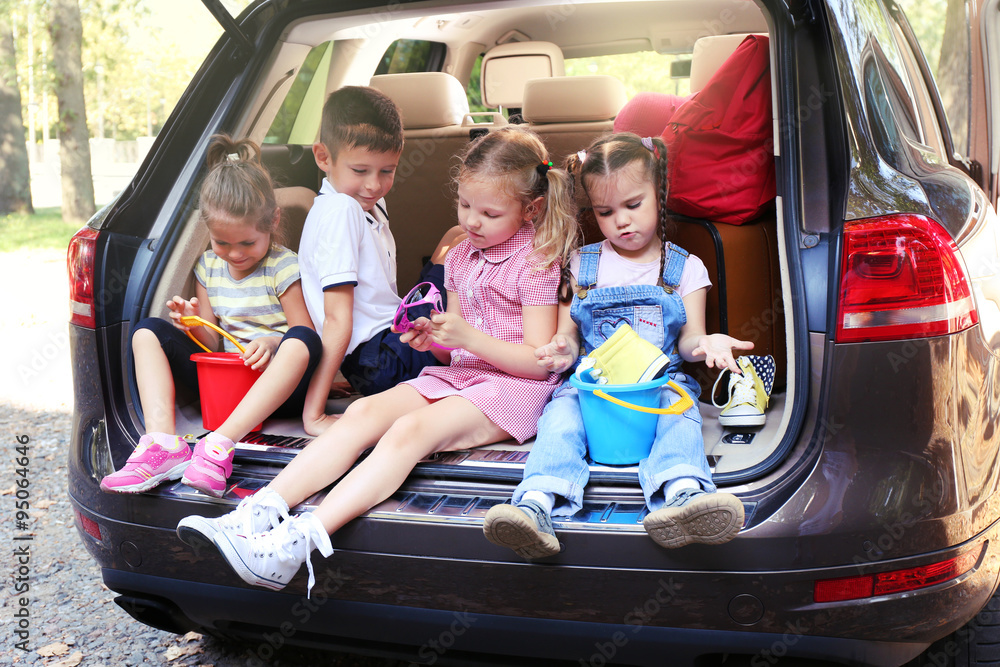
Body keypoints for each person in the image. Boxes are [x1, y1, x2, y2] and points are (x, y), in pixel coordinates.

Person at [176, 126, 579, 596]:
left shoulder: (538, 262)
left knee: (409, 431)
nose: (471, 220)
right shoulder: (463, 257)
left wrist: (466, 336)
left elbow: (537, 364)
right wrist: (434, 341)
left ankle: (295, 545)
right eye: (464, 205)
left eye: (489, 213)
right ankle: (258, 512)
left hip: (514, 388)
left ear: (530, 209)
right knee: (365, 411)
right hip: (461, 375)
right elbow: (456, 349)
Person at [483, 132, 753, 559]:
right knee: (560, 418)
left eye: (633, 205)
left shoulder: (685, 268)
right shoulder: (582, 263)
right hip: (592, 388)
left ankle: (683, 496)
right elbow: (569, 337)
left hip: (656, 387)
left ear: (658, 195)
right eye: (606, 212)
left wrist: (708, 345)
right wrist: (561, 351)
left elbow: (687, 343)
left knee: (681, 412)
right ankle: (534, 505)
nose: (622, 221)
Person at [101, 135, 323, 498]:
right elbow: (212, 344)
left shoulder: (283, 267)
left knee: (303, 342)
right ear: (208, 230)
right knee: (146, 332)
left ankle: (219, 444)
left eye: (247, 243)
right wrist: (192, 323)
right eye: (222, 243)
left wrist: (270, 342)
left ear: (273, 221)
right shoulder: (208, 267)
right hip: (225, 385)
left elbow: (304, 332)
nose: (234, 254)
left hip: (277, 386)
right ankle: (162, 445)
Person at [295, 86, 463, 436]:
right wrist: (315, 411)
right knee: (472, 259)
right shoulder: (341, 210)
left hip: (388, 339)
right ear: (323, 157)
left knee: (456, 236)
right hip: (382, 359)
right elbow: (337, 317)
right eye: (360, 170)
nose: (374, 185)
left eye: (387, 171)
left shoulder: (361, 204)